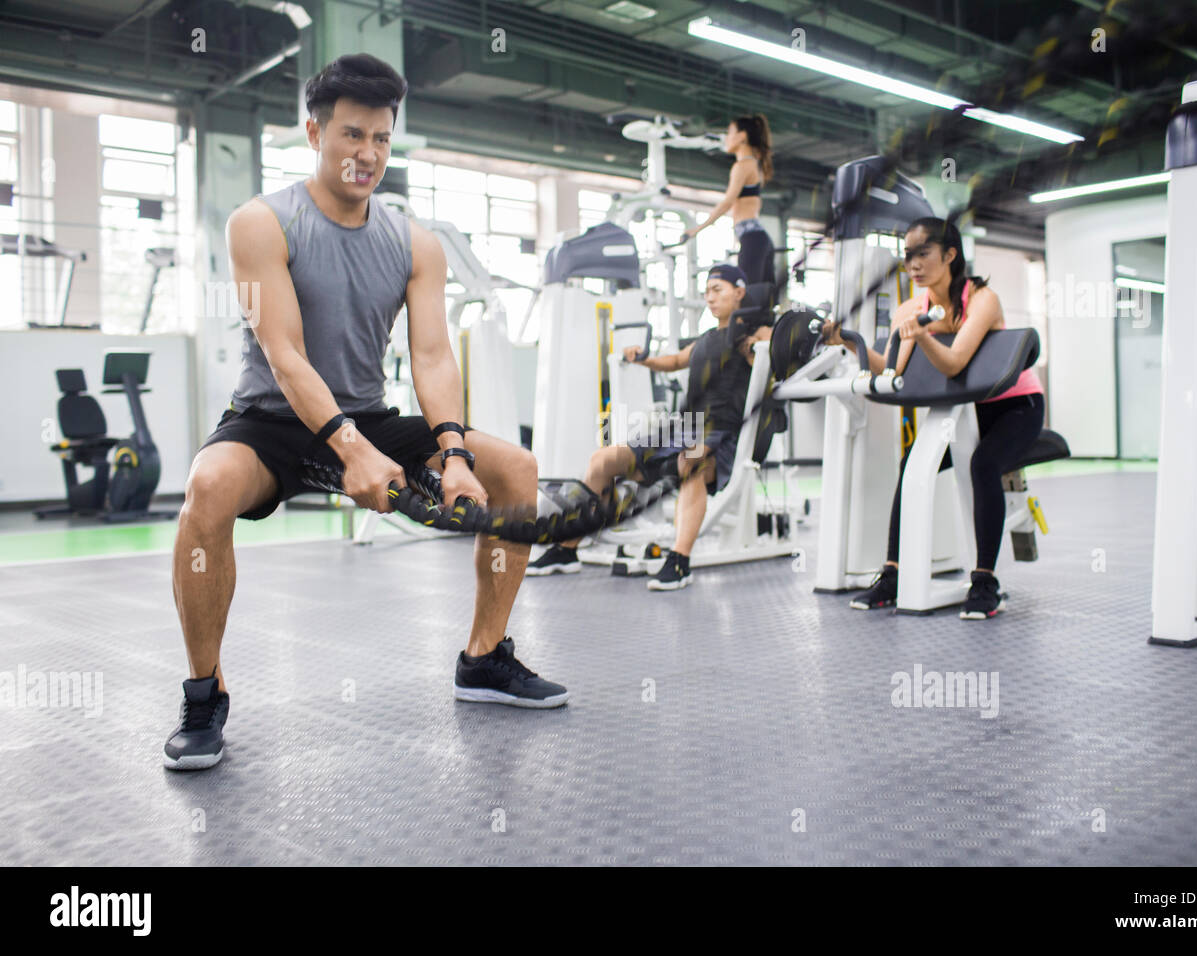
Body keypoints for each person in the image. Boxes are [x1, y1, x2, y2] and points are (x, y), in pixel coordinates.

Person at [164, 54, 568, 772]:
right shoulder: (259, 223)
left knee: (517, 471)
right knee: (207, 490)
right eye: (353, 135)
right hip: (272, 420)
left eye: (381, 139)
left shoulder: (415, 242)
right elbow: (285, 353)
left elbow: (434, 357)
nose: (368, 154)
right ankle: (204, 692)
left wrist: (453, 455)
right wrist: (350, 450)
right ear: (313, 131)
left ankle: (483, 659)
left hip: (369, 413)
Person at [845, 217, 1045, 620]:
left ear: (950, 254)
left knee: (983, 464)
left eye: (923, 253)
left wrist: (922, 336)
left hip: (1014, 408)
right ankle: (893, 575)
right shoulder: (911, 308)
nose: (913, 264)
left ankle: (985, 582)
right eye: (908, 256)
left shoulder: (981, 298)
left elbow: (954, 364)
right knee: (912, 466)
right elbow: (893, 373)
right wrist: (852, 344)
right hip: (966, 412)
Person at [527, 264, 771, 591]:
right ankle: (566, 551)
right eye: (707, 291)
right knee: (602, 460)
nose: (709, 297)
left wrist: (759, 345)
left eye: (718, 289)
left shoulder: (757, 333)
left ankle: (679, 561)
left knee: (691, 462)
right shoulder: (706, 339)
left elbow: (775, 351)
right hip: (685, 427)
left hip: (722, 434)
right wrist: (641, 358)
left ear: (739, 292)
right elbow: (673, 362)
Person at [682, 114, 775, 286]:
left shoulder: (742, 166)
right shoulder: (754, 164)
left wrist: (697, 229)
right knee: (760, 301)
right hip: (758, 239)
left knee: (747, 298)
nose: (726, 137)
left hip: (752, 239)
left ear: (742, 136)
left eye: (730, 132)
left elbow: (728, 202)